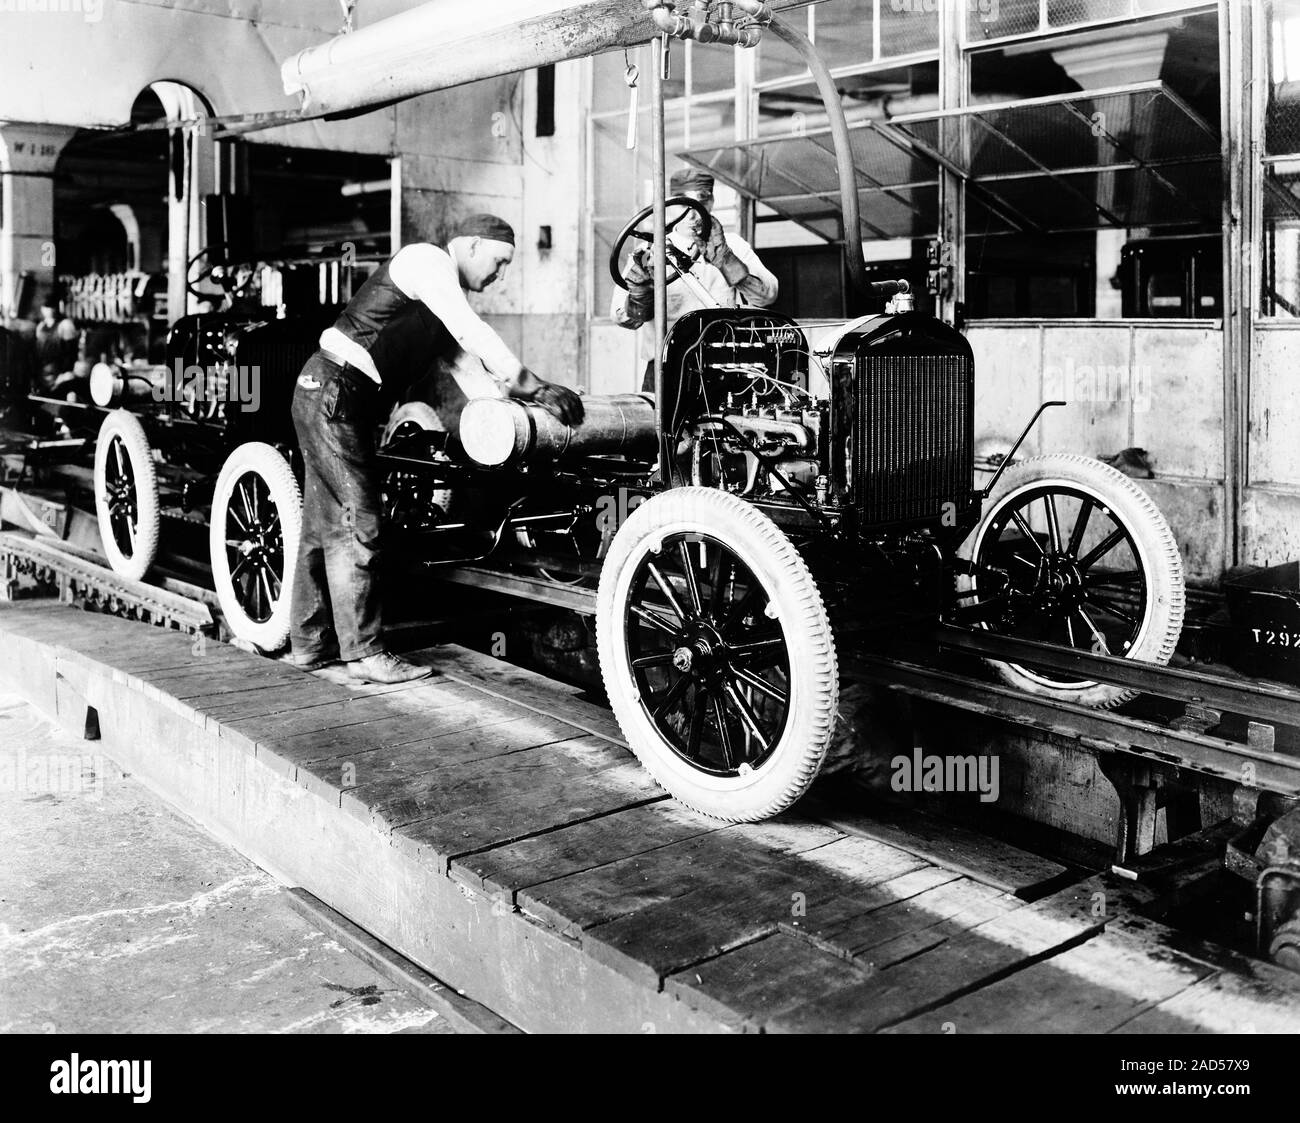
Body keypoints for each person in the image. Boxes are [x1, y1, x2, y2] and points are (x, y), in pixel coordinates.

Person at [289, 214, 583, 684]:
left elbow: (476, 379)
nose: (500, 275)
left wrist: (528, 418)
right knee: (357, 523)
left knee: (322, 526)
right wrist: (535, 384)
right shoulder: (426, 262)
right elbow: (473, 331)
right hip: (336, 391)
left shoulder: (438, 303)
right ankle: (364, 655)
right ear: (469, 246)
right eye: (499, 261)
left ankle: (308, 645)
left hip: (328, 393)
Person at [610, 168, 779, 385]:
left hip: (723, 366)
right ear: (669, 205)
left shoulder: (734, 245)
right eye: (684, 204)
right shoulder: (648, 255)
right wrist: (640, 293)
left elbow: (767, 296)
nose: (693, 215)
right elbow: (622, 318)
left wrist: (727, 261)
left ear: (712, 201)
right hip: (665, 371)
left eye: (702, 199)